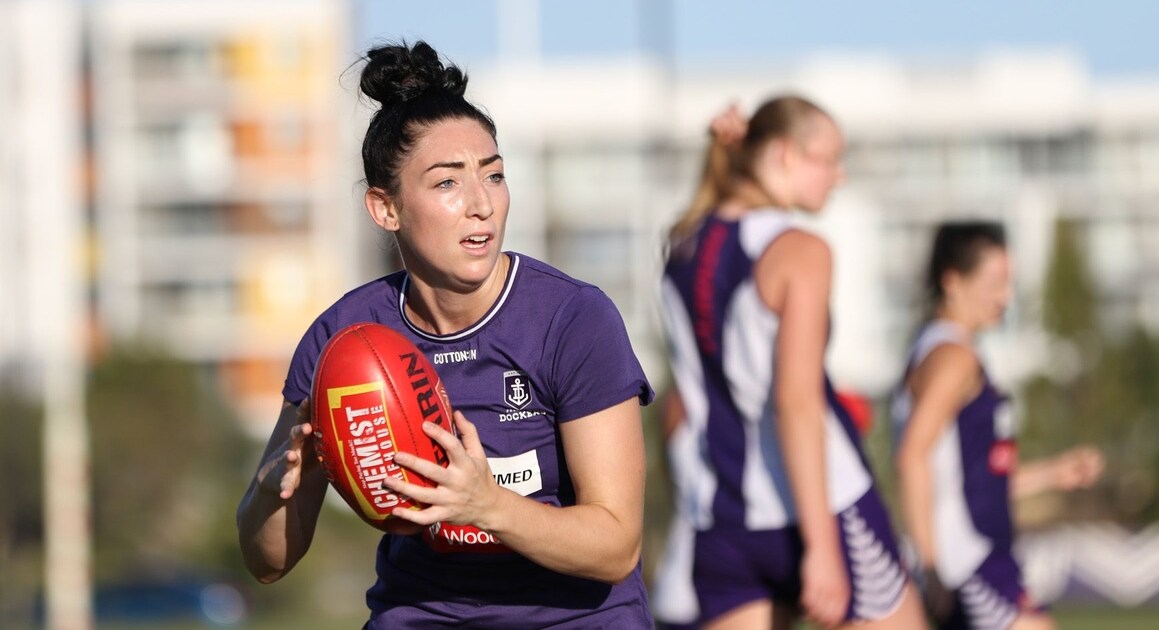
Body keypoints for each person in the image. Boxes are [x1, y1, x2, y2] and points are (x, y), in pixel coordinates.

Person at [235, 40, 655, 628]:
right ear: (386, 209)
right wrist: (271, 490)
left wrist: (488, 505)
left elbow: (616, 546)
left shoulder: (573, 319)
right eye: (447, 183)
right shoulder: (344, 340)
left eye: (494, 175)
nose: (482, 203)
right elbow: (268, 563)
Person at [655, 100, 926, 630]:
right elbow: (796, 403)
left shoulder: (680, 249)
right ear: (783, 154)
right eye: (829, 159)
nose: (838, 175)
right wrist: (821, 547)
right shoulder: (801, 250)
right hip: (823, 510)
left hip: (723, 524)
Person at [891, 221, 1105, 630]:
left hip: (980, 562)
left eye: (1009, 284)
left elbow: (971, 479)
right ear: (952, 282)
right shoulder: (953, 358)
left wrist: (1053, 473)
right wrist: (932, 566)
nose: (1005, 297)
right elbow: (912, 458)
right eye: (995, 284)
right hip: (967, 563)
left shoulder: (943, 348)